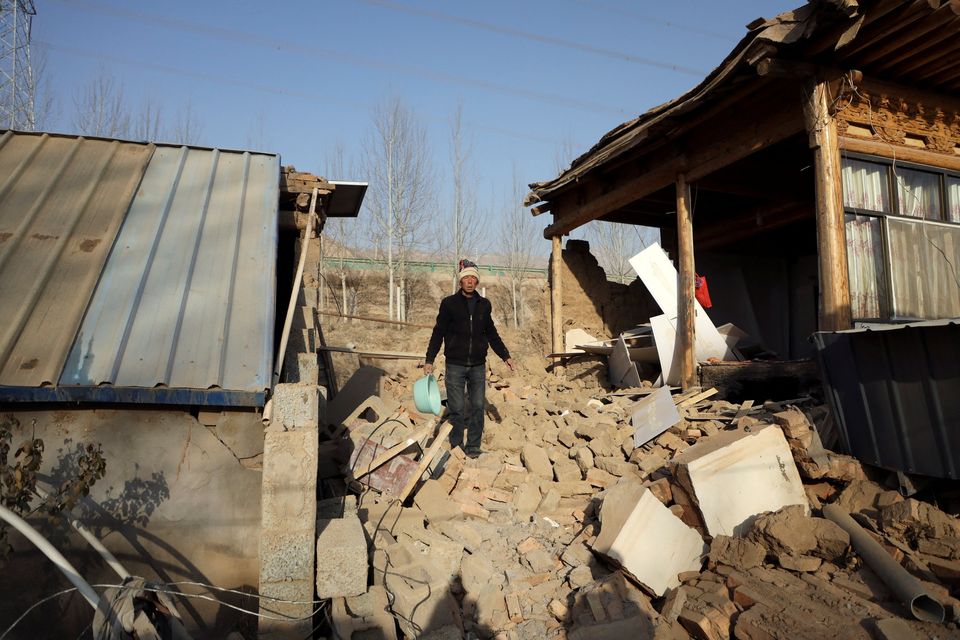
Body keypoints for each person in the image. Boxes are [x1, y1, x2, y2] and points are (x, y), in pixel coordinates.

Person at [424, 259, 515, 457]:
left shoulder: (484, 305)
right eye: (467, 278)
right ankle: (457, 446)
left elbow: (491, 333)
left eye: (473, 278)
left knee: (478, 406)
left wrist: (505, 355)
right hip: (455, 364)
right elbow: (438, 332)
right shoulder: (449, 304)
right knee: (456, 408)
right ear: (461, 281)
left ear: (477, 282)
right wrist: (430, 359)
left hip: (477, 366)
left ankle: (473, 447)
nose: (470, 281)